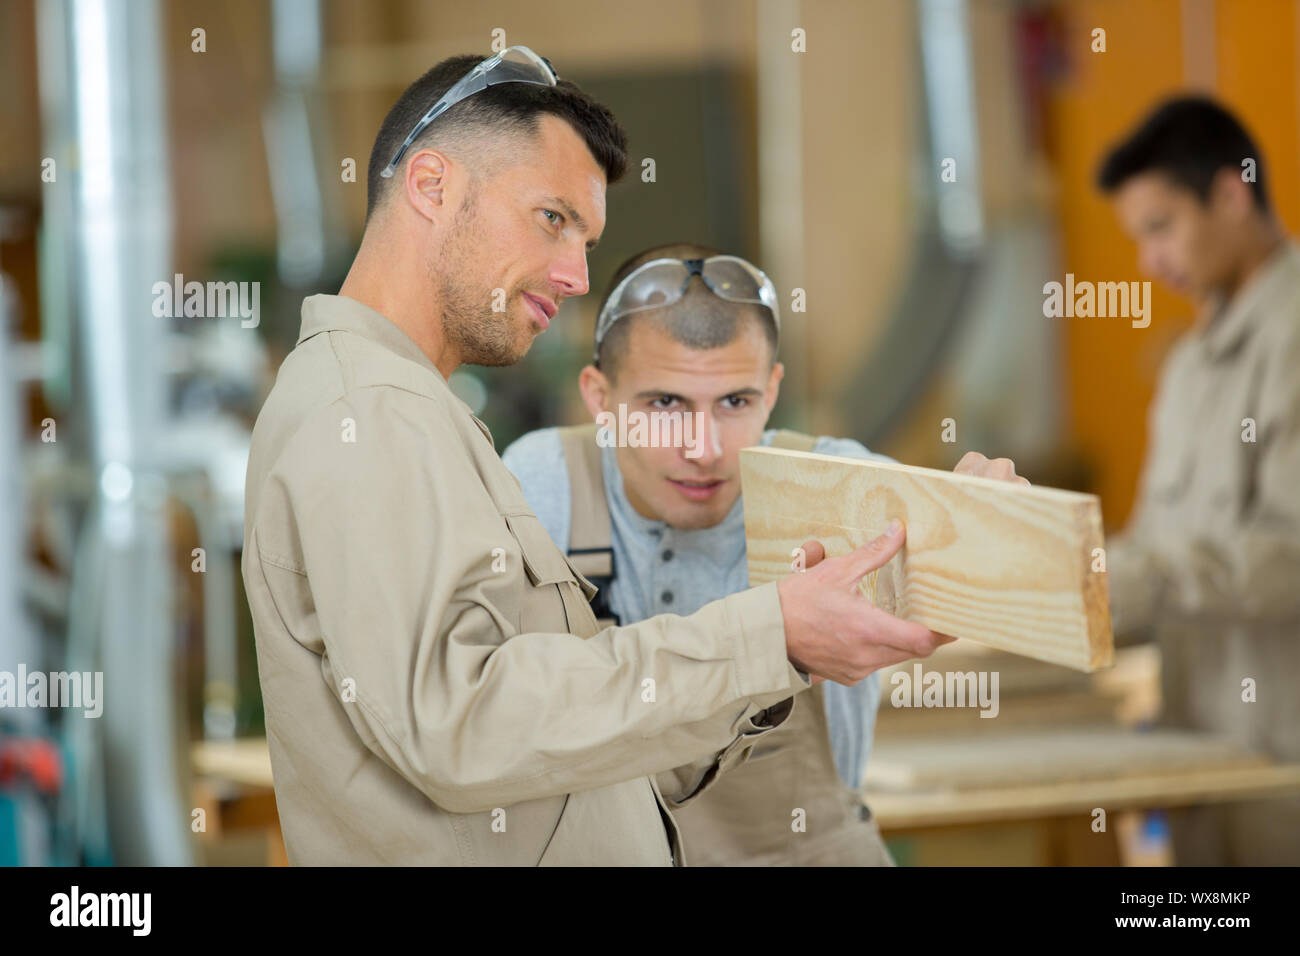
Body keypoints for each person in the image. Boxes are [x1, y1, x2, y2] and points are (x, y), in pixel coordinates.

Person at [241, 47, 953, 866]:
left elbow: (557, 738)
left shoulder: (408, 405)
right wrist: (770, 635)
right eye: (552, 218)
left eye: (586, 239)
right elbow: (462, 723)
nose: (578, 276)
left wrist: (782, 651)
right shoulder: (369, 413)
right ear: (432, 186)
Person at [503, 241, 1031, 865]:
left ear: (772, 389)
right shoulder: (542, 483)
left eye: (734, 402)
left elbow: (952, 536)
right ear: (600, 398)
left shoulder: (830, 484)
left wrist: (989, 521)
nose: (702, 448)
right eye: (665, 404)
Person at [1098, 95, 1300, 865]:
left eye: (1160, 227)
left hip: (1281, 768)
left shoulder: (1292, 341)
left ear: (1231, 191)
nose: (1150, 263)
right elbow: (1154, 550)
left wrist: (1114, 577)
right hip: (1196, 756)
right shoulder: (1187, 365)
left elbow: (1286, 554)